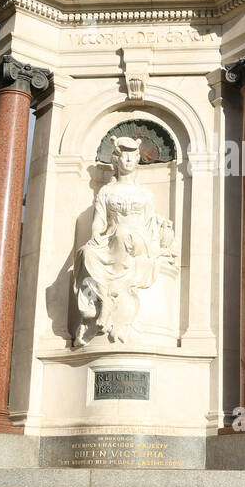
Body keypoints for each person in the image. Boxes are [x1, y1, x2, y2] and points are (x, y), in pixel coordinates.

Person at [73, 137, 177, 346]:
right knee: (86, 252)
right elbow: (99, 221)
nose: (128, 160)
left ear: (137, 159)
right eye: (123, 155)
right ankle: (104, 302)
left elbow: (149, 225)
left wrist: (156, 246)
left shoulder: (144, 194)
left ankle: (110, 300)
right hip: (111, 239)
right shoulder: (106, 191)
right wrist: (94, 238)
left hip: (138, 240)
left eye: (132, 155)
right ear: (116, 160)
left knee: (122, 232)